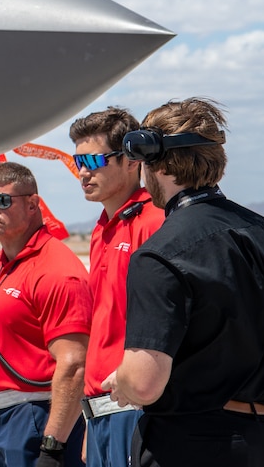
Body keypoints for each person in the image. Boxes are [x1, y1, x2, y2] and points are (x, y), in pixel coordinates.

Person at [103, 98, 264, 467]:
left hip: (192, 443)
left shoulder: (159, 254)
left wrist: (123, 380)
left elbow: (144, 382)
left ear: (155, 162)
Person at [0, 162, 91, 467]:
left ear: (33, 204)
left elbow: (74, 364)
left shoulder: (56, 271)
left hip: (36, 419)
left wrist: (52, 445)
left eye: (2, 201)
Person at [69, 108, 164, 467]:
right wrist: (89, 419)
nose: (82, 171)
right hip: (100, 412)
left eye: (93, 159)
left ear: (129, 161)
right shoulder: (102, 228)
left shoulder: (154, 221)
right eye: (77, 160)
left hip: (135, 408)